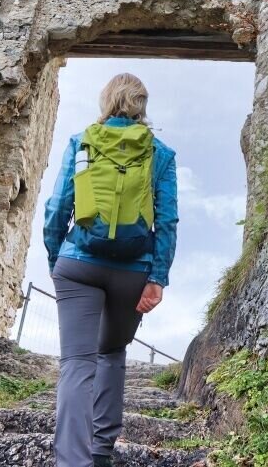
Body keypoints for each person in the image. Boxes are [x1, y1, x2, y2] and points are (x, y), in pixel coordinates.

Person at [43, 72, 178, 467]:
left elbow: (58, 207)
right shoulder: (161, 153)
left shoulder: (82, 141)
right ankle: (100, 453)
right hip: (132, 269)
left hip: (78, 264)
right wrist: (157, 277)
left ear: (106, 101)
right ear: (141, 105)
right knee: (112, 352)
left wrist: (57, 258)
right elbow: (166, 221)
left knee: (77, 363)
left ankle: (72, 462)